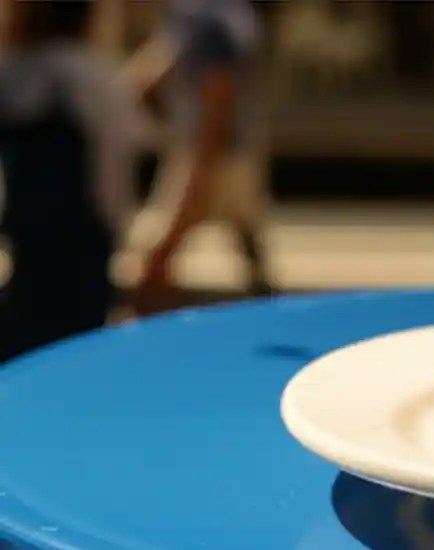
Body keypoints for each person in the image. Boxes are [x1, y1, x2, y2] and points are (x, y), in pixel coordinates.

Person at [0, 0, 142, 360]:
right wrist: (114, 228)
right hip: (81, 247)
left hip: (27, 245)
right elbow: (114, 162)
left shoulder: (13, 70)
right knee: (76, 352)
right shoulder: (92, 75)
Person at [127, 0, 271, 314]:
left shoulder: (209, 19)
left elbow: (218, 92)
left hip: (210, 152)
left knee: (158, 251)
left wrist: (202, 163)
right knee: (247, 245)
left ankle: (146, 333)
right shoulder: (213, 15)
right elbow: (153, 72)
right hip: (224, 150)